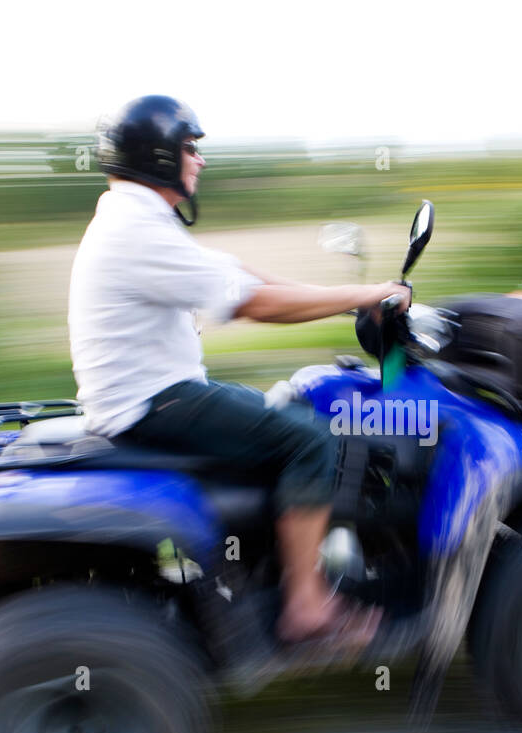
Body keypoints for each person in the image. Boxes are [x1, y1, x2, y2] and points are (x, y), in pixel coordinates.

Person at [68, 94, 408, 646]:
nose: (198, 159)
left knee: (288, 407)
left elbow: (239, 275)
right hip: (155, 402)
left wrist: (350, 298)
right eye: (189, 148)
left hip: (158, 393)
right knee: (312, 442)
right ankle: (307, 604)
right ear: (158, 157)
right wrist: (369, 293)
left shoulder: (133, 217)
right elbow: (256, 303)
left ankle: (269, 567)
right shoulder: (138, 229)